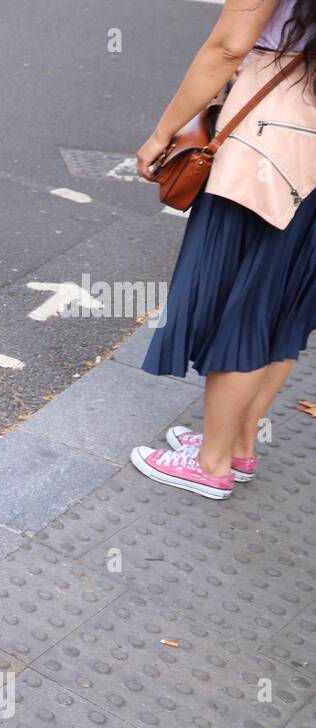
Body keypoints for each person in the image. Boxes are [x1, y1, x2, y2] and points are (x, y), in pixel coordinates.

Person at [134, 0, 316, 499]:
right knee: (286, 306)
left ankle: (211, 464)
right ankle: (237, 444)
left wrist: (163, 130)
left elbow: (228, 45)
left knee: (247, 302)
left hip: (273, 146)